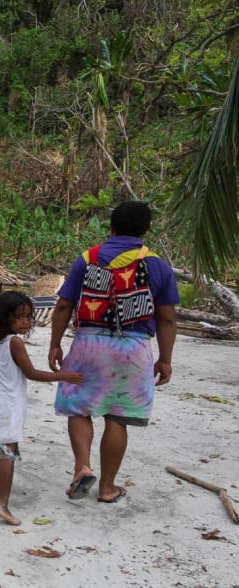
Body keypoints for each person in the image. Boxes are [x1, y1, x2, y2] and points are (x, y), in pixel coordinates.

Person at [48, 200, 179, 503]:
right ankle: (107, 487)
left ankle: (82, 467)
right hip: (132, 349)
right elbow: (167, 318)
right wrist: (165, 359)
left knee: (80, 407)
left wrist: (55, 343)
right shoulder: (157, 264)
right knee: (117, 416)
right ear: (146, 230)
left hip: (88, 343)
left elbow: (65, 304)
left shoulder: (87, 259)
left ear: (111, 227)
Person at [0, 291, 84, 526]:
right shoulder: (15, 343)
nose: (26, 321)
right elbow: (32, 373)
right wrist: (64, 375)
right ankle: (2, 505)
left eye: (29, 316)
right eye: (20, 317)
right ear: (5, 318)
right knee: (8, 451)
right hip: (8, 404)